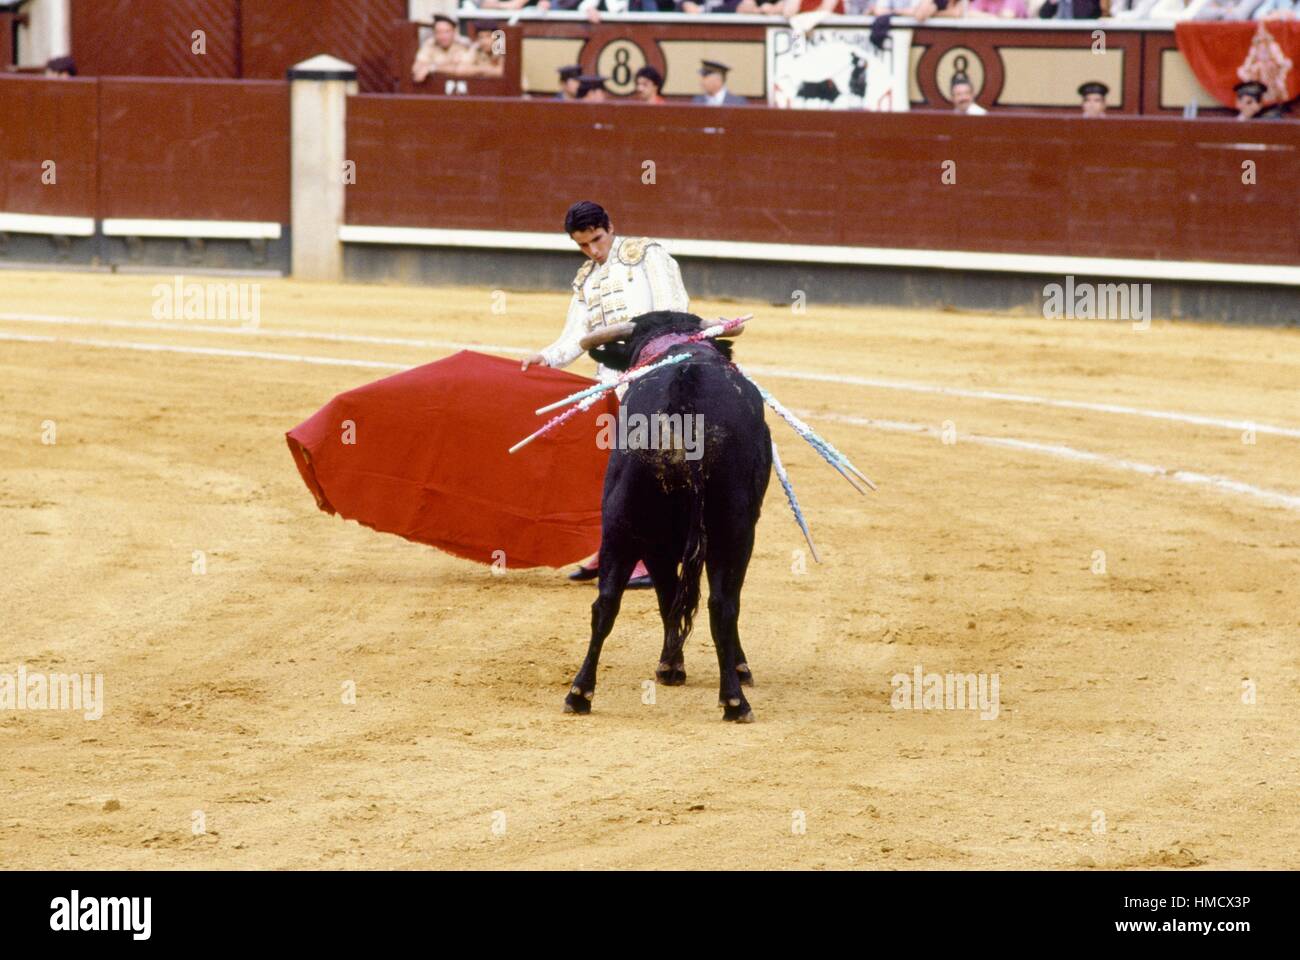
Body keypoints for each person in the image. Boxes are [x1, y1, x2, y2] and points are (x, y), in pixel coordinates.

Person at [521, 201, 691, 588]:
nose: (594, 251)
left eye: (597, 240)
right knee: (612, 473)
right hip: (612, 385)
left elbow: (672, 312)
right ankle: (614, 548)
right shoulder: (586, 280)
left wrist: (654, 368)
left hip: (656, 378)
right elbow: (575, 339)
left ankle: (652, 558)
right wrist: (544, 358)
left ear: (611, 226)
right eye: (583, 246)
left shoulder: (647, 255)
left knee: (650, 471)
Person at [411, 14, 472, 83]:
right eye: (438, 32)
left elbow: (462, 69)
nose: (443, 36)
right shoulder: (430, 44)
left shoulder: (463, 45)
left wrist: (432, 68)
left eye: (447, 32)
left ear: (454, 32)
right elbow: (416, 67)